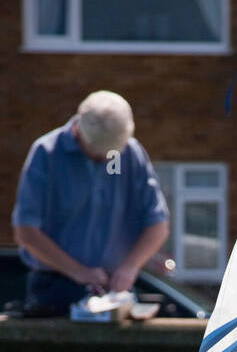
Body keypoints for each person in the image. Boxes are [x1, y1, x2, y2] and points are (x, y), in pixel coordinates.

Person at [12, 90, 170, 314]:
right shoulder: (46, 153)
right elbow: (26, 232)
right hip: (54, 290)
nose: (106, 159)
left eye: (111, 154)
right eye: (97, 154)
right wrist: (78, 272)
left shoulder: (132, 154)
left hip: (116, 290)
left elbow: (158, 225)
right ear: (78, 131)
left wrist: (130, 267)